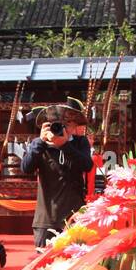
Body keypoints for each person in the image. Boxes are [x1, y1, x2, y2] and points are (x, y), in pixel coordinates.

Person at [21, 103, 93, 247]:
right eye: (59, 124)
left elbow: (87, 165)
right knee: (44, 266)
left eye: (69, 124)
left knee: (75, 264)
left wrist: (64, 145)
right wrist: (41, 142)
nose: (65, 128)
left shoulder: (80, 142)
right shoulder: (39, 145)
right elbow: (26, 168)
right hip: (46, 218)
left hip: (74, 215)